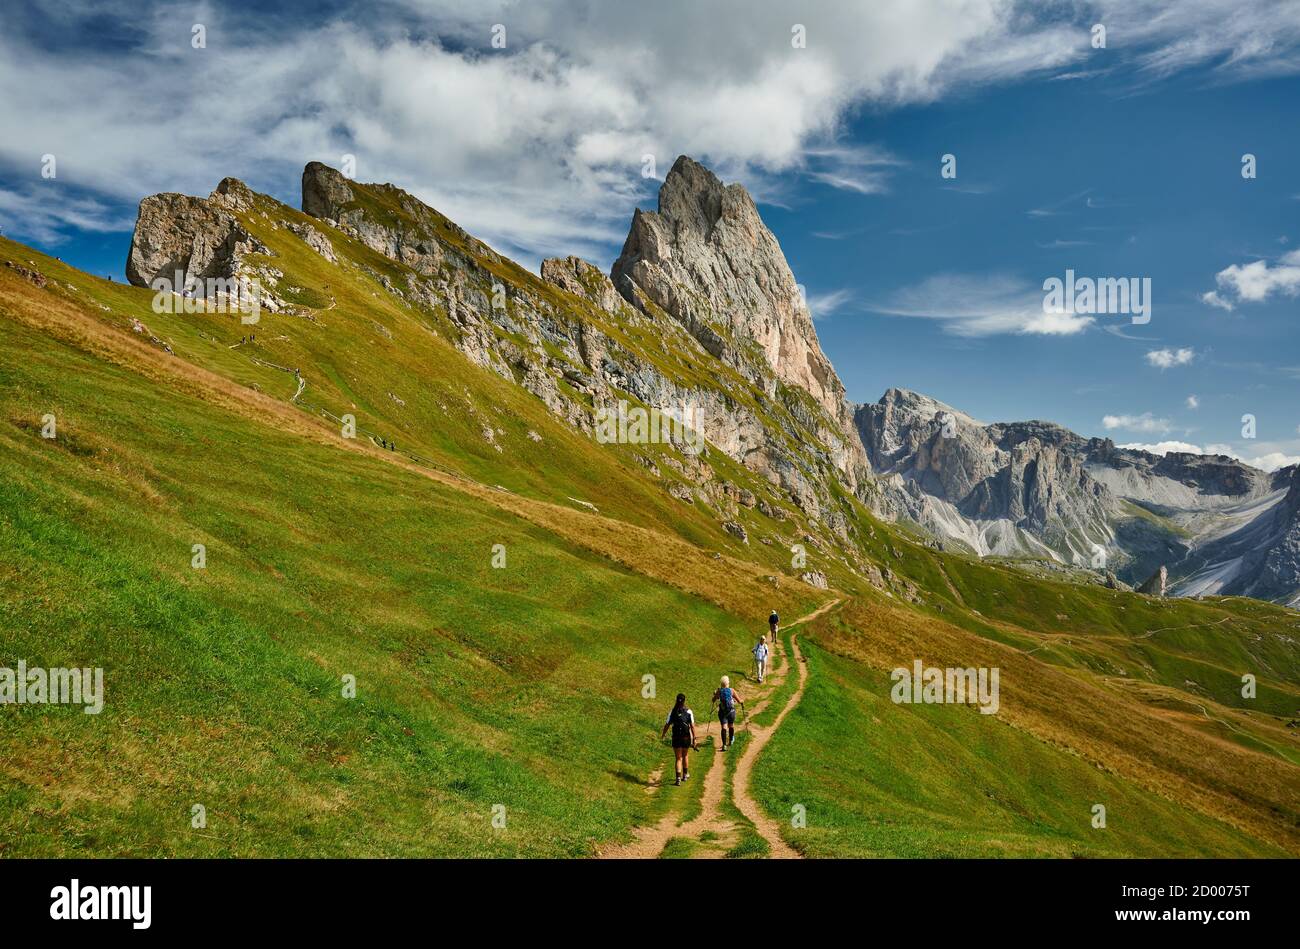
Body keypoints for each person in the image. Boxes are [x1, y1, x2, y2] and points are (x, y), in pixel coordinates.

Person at [660, 692, 696, 785]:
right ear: (684, 701)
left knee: (678, 758)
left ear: (676, 700)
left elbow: (667, 724)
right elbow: (692, 726)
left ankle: (678, 779)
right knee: (685, 755)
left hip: (676, 737)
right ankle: (685, 775)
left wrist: (663, 734)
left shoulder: (672, 711)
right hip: (686, 737)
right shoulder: (688, 712)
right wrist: (694, 738)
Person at [711, 676, 744, 751]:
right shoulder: (731, 690)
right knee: (731, 725)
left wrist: (715, 695)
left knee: (724, 727)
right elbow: (739, 701)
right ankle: (731, 740)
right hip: (731, 712)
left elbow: (713, 700)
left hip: (722, 712)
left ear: (721, 683)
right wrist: (742, 701)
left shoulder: (719, 691)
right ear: (728, 683)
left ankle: (724, 745)